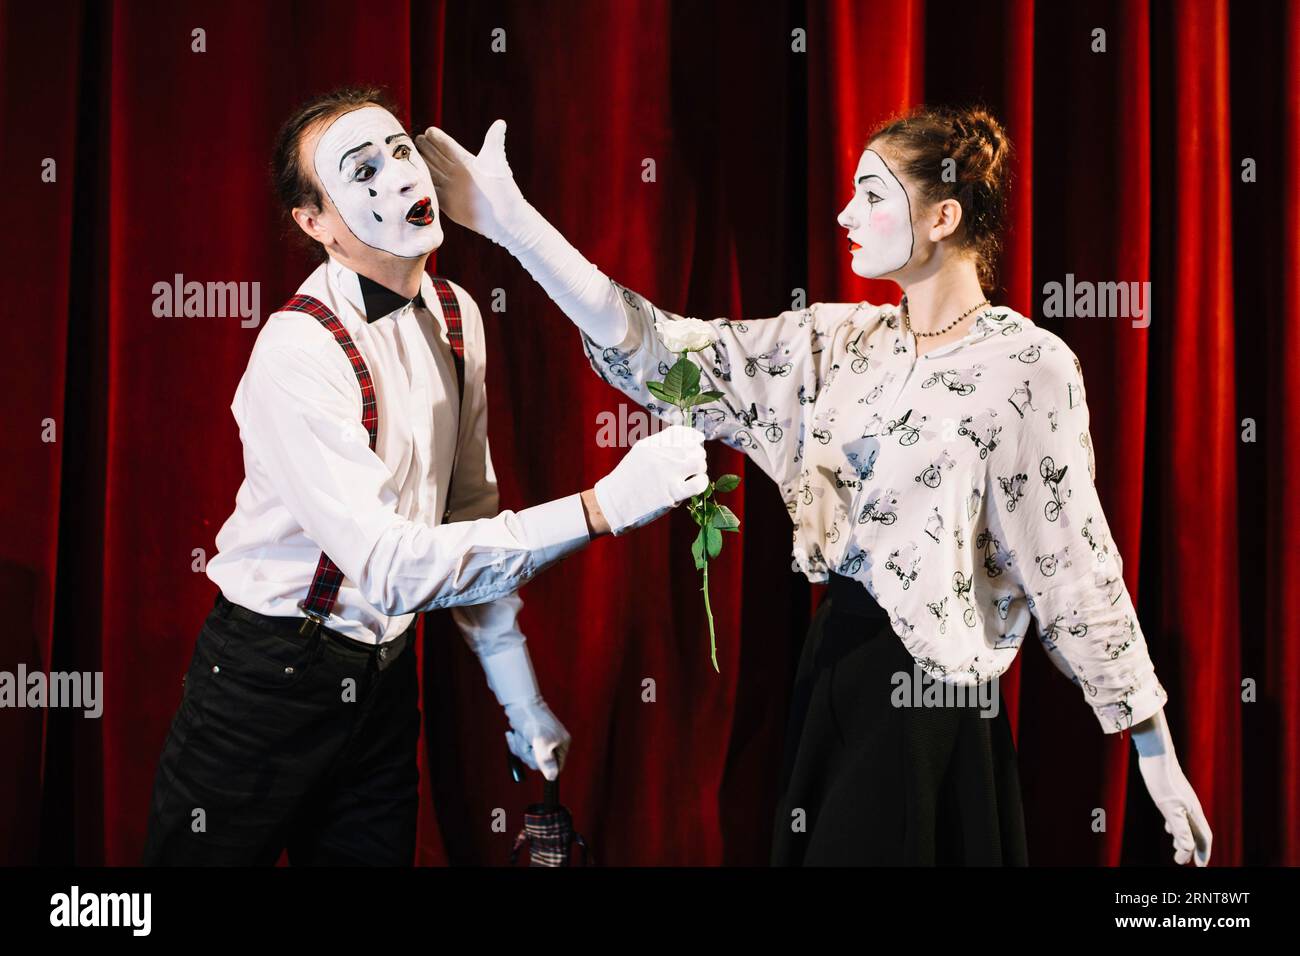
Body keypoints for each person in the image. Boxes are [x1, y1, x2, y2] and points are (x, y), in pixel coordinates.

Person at [415, 104, 1213, 866]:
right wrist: (516, 227)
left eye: (871, 195)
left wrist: (1153, 744)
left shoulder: (1028, 368)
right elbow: (663, 351)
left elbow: (1072, 561)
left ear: (942, 218)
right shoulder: (840, 340)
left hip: (933, 703)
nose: (845, 215)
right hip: (837, 665)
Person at [141, 87, 708, 866]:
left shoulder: (456, 312)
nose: (402, 178)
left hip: (380, 681)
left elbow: (467, 513)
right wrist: (600, 507)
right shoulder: (298, 351)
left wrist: (521, 698)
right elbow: (391, 564)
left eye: (402, 151)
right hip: (267, 677)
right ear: (317, 225)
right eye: (363, 171)